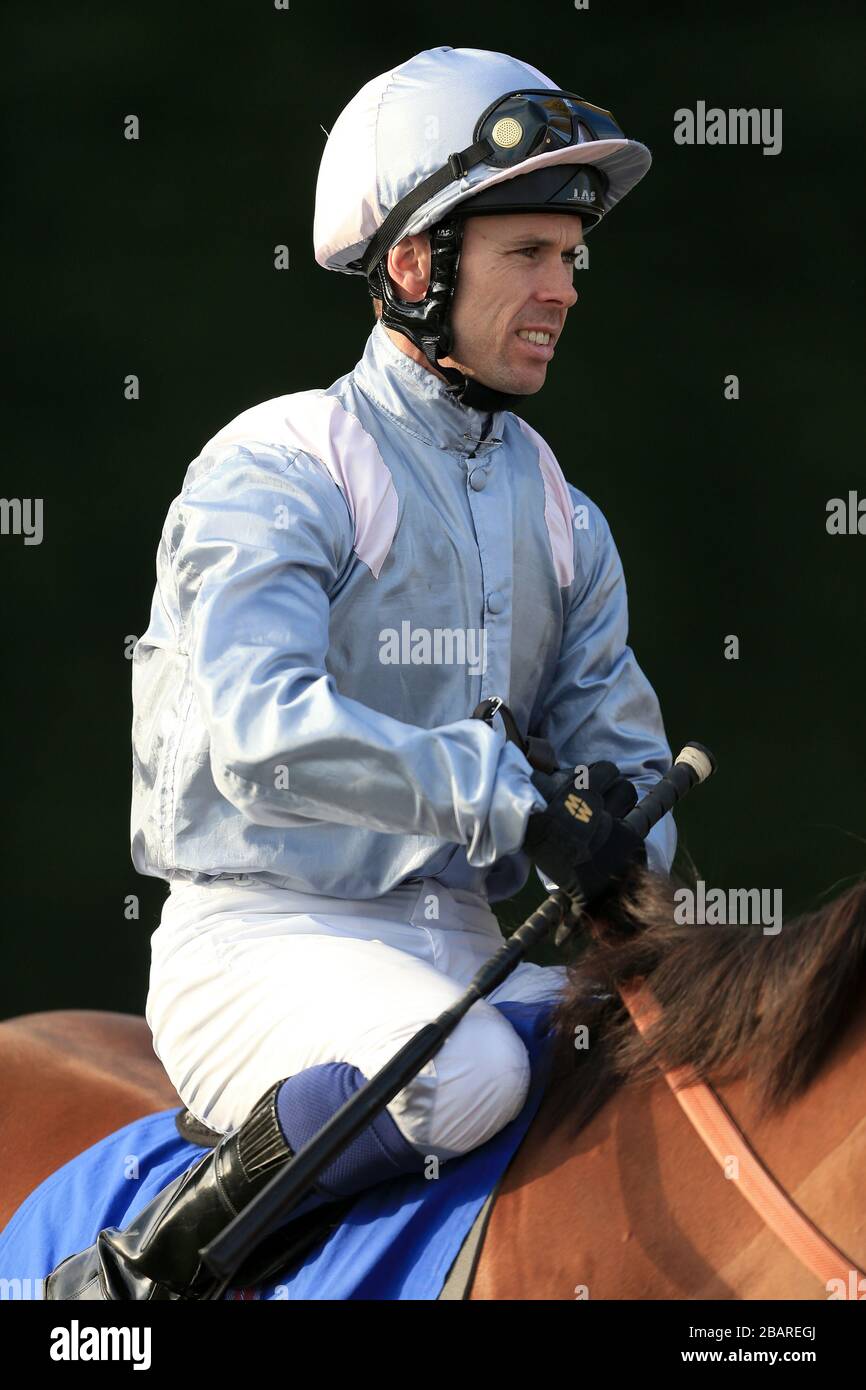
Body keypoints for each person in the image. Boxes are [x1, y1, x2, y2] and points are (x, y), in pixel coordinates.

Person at [47, 44, 676, 1301]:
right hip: (260, 938)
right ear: (411, 264)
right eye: (527, 255)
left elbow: (623, 760)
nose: (562, 288)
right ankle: (136, 1275)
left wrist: (623, 835)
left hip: (461, 950)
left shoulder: (566, 519)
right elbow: (256, 728)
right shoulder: (280, 462)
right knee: (465, 1076)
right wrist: (506, 800)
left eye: (570, 256)